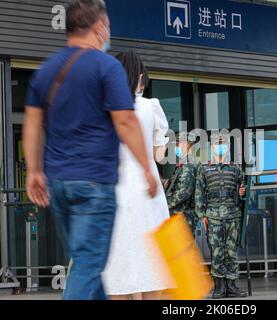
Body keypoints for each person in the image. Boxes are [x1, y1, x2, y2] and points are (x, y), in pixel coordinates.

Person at [23, 0, 157, 300]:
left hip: (59, 185)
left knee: (88, 263)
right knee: (88, 264)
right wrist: (147, 168)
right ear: (99, 28)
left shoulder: (47, 70)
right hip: (95, 183)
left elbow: (32, 122)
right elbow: (125, 121)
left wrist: (33, 170)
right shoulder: (106, 67)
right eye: (107, 26)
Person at [103, 51, 172, 300]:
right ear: (140, 78)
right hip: (148, 194)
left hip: (116, 193)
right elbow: (159, 156)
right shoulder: (150, 107)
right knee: (151, 263)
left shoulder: (107, 109)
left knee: (118, 266)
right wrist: (163, 138)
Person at [195, 134, 248, 299]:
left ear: (228, 147)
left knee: (231, 251)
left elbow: (244, 195)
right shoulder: (204, 169)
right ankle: (219, 286)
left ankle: (231, 286)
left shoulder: (236, 169)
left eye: (223, 144)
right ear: (211, 147)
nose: (220, 146)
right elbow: (199, 194)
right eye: (217, 144)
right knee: (217, 252)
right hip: (213, 216)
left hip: (233, 215)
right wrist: (202, 215)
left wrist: (242, 194)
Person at [165, 132, 198, 235]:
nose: (176, 147)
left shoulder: (188, 166)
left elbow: (183, 193)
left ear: (188, 145)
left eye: (178, 144)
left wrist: (164, 205)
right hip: (178, 216)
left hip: (183, 217)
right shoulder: (182, 165)